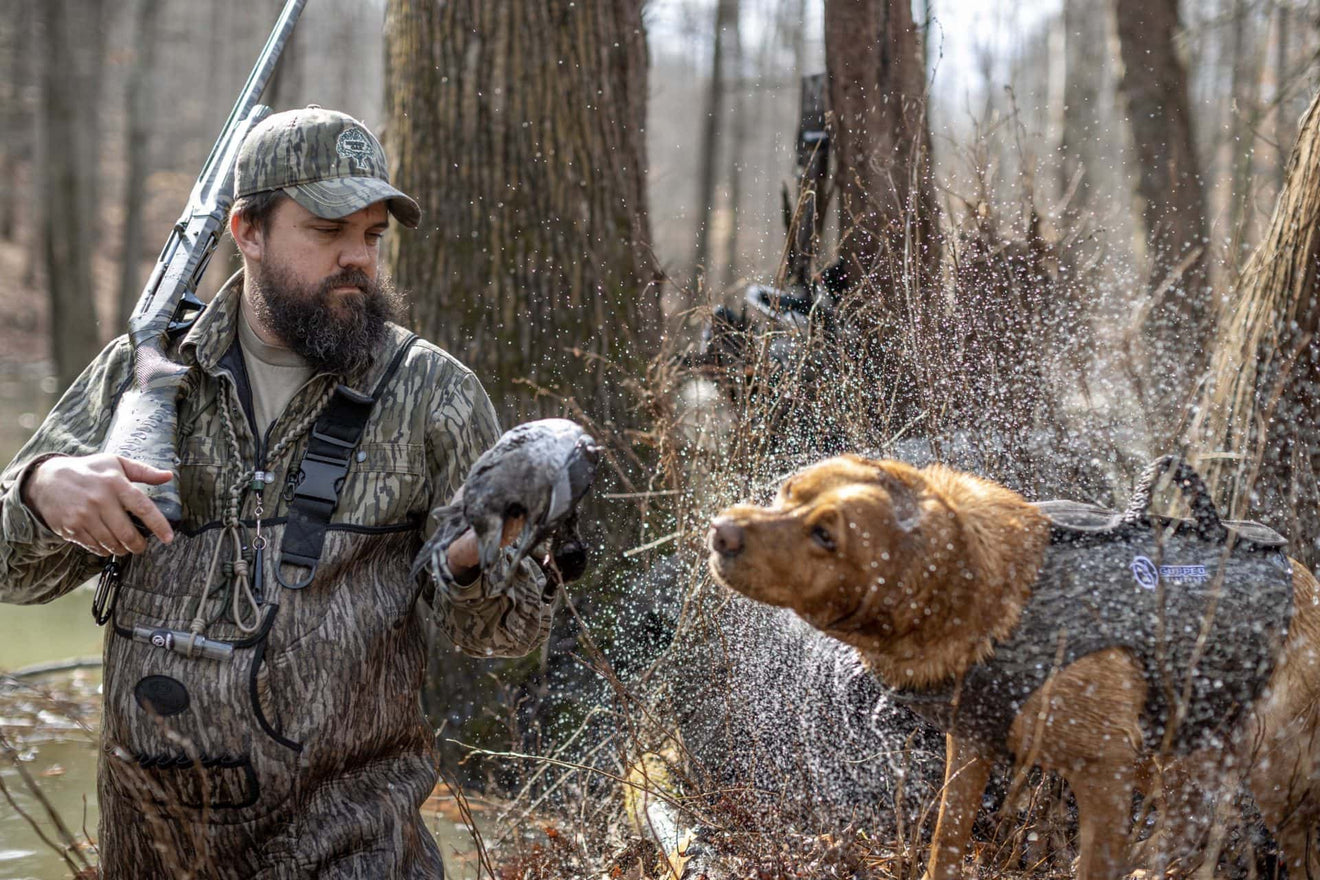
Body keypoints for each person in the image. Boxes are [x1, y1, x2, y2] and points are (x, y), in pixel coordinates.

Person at [0, 107, 556, 878]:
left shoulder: (434, 394)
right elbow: (11, 573)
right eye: (328, 232)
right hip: (152, 854)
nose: (356, 259)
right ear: (247, 230)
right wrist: (40, 488)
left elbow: (503, 636)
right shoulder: (143, 375)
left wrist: (474, 566)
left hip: (352, 854)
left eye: (371, 236)